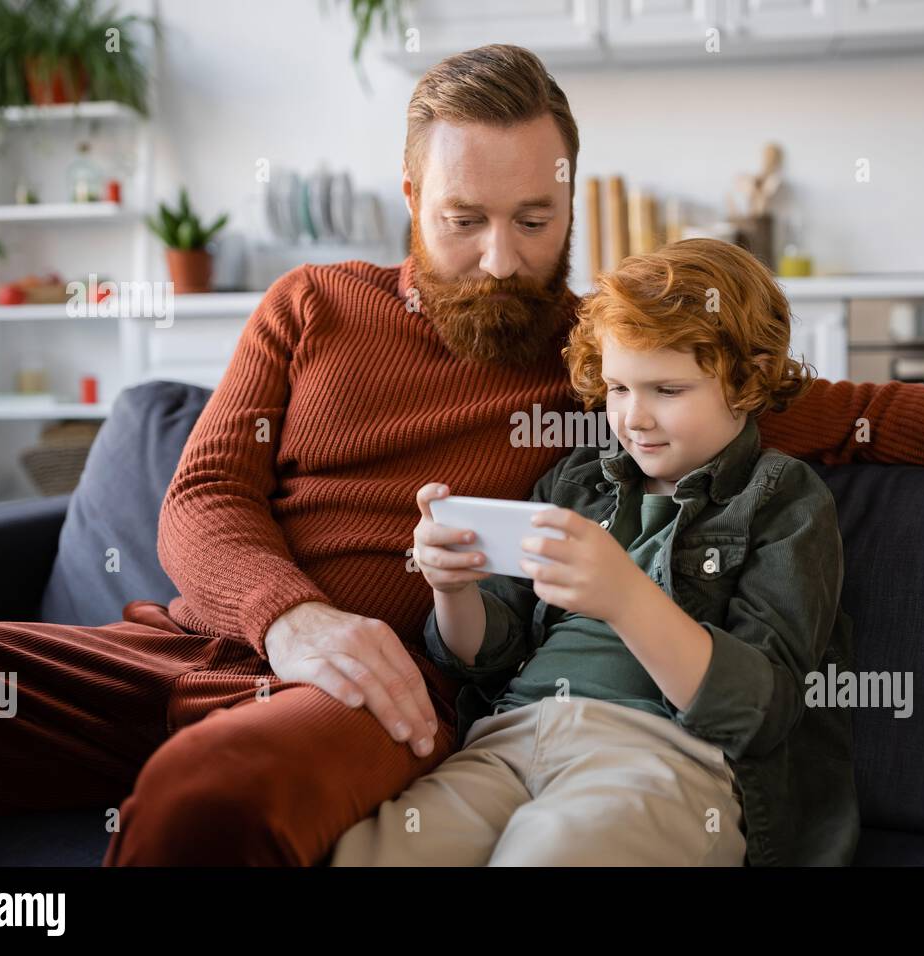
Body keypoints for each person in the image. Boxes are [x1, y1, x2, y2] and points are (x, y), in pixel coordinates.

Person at [0, 45, 924, 867]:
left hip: (376, 700)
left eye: (535, 219)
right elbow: (204, 494)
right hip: (198, 638)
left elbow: (871, 412)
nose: (499, 255)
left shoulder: (608, 361)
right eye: (465, 218)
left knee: (210, 802)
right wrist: (291, 619)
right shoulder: (311, 305)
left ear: (571, 202)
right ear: (407, 201)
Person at [333, 238, 855, 866]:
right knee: (383, 853)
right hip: (510, 739)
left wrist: (627, 598)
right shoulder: (575, 482)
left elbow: (758, 712)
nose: (634, 418)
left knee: (550, 853)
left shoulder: (782, 500)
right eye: (617, 388)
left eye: (667, 389)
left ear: (747, 381)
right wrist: (452, 588)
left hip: (661, 758)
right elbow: (484, 655)